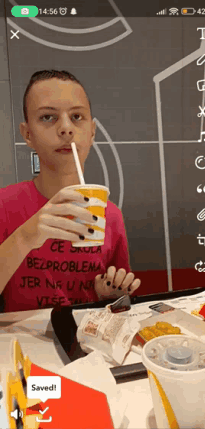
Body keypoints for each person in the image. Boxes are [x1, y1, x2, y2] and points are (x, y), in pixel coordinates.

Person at [0, 70, 141, 313]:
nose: (66, 128)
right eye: (47, 117)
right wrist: (24, 237)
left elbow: (117, 301)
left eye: (77, 116)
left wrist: (109, 295)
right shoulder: (5, 205)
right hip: (20, 346)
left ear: (92, 131)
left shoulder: (111, 216)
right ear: (27, 134)